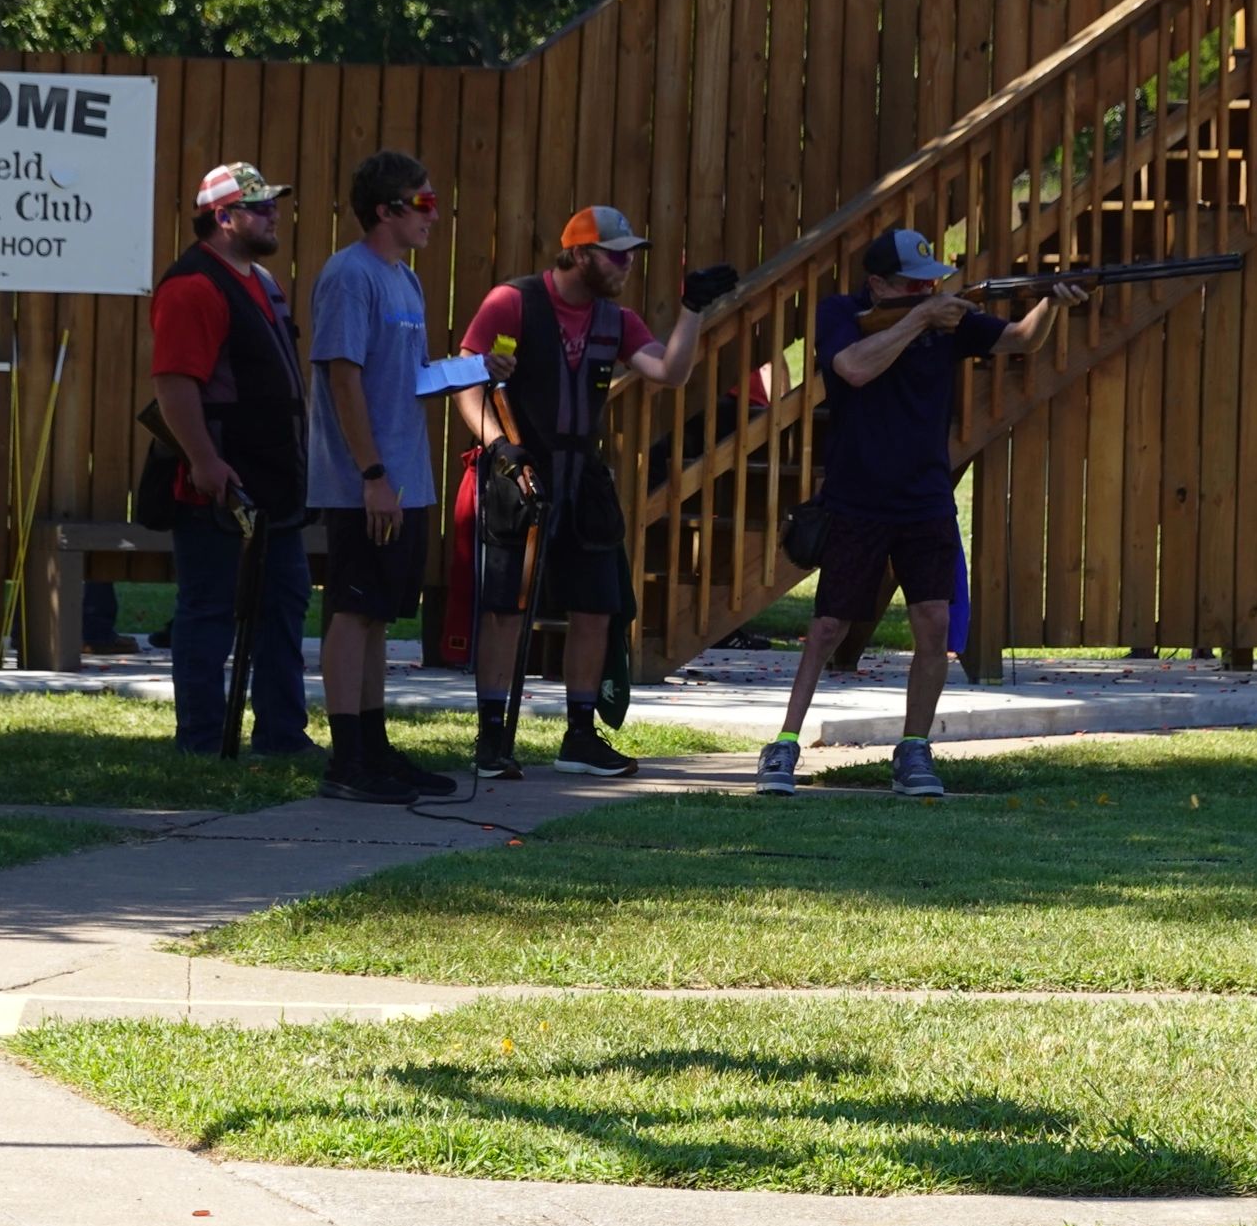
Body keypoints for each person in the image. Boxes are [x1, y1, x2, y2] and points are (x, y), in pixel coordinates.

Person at [756, 229, 1082, 798]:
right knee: (827, 627)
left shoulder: (945, 322)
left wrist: (1051, 300)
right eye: (913, 283)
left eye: (932, 281)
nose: (928, 289)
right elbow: (854, 369)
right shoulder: (842, 314)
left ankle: (913, 749)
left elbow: (1020, 341)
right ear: (877, 284)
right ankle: (783, 745)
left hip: (925, 498)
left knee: (933, 626)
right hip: (857, 498)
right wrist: (921, 318)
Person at [458, 206, 731, 781]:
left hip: (583, 475)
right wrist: (500, 449)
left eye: (631, 253)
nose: (627, 263)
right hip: (518, 472)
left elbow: (671, 372)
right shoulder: (514, 303)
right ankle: (490, 739)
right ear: (580, 254)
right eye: (615, 253)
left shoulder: (616, 320)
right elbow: (469, 380)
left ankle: (579, 736)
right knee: (505, 608)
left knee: (598, 607)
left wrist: (692, 310)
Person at [306, 150, 459, 804]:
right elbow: (344, 377)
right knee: (352, 609)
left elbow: (409, 377)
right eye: (422, 202)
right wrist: (371, 474)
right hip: (363, 483)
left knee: (379, 617)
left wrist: (472, 372)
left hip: (406, 480)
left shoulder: (408, 281)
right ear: (386, 210)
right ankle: (346, 760)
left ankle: (374, 746)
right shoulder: (350, 275)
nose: (434, 213)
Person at [148, 161, 314, 758]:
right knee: (210, 611)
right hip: (222, 484)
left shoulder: (262, 282)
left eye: (272, 204)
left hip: (273, 483)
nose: (273, 215)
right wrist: (204, 460)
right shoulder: (193, 285)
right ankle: (200, 739)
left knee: (283, 607)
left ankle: (281, 736)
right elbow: (174, 383)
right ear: (222, 217)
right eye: (260, 206)